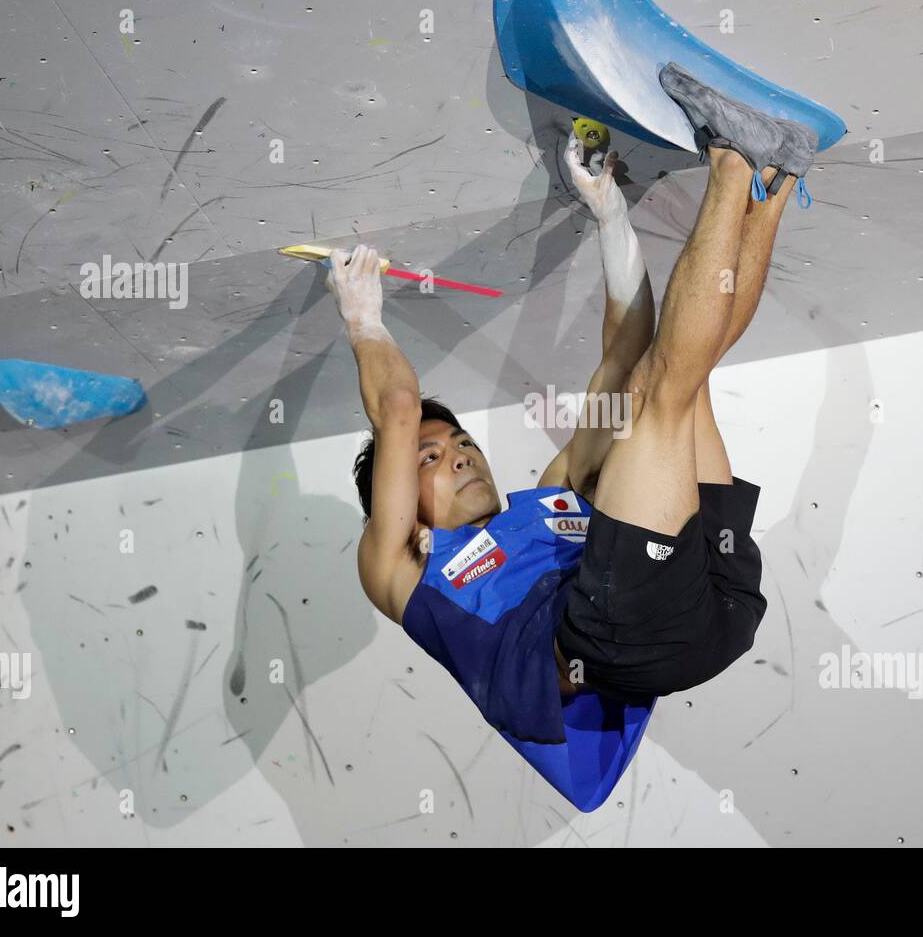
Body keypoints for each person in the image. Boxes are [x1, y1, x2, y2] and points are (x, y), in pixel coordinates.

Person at [330, 63, 817, 810]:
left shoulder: (551, 500)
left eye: (459, 444)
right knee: (662, 398)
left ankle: (774, 177)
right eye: (431, 459)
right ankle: (731, 155)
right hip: (625, 641)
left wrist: (610, 213)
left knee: (677, 382)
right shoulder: (404, 575)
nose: (457, 455)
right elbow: (397, 408)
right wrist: (363, 316)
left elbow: (625, 355)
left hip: (706, 600)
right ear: (401, 504)